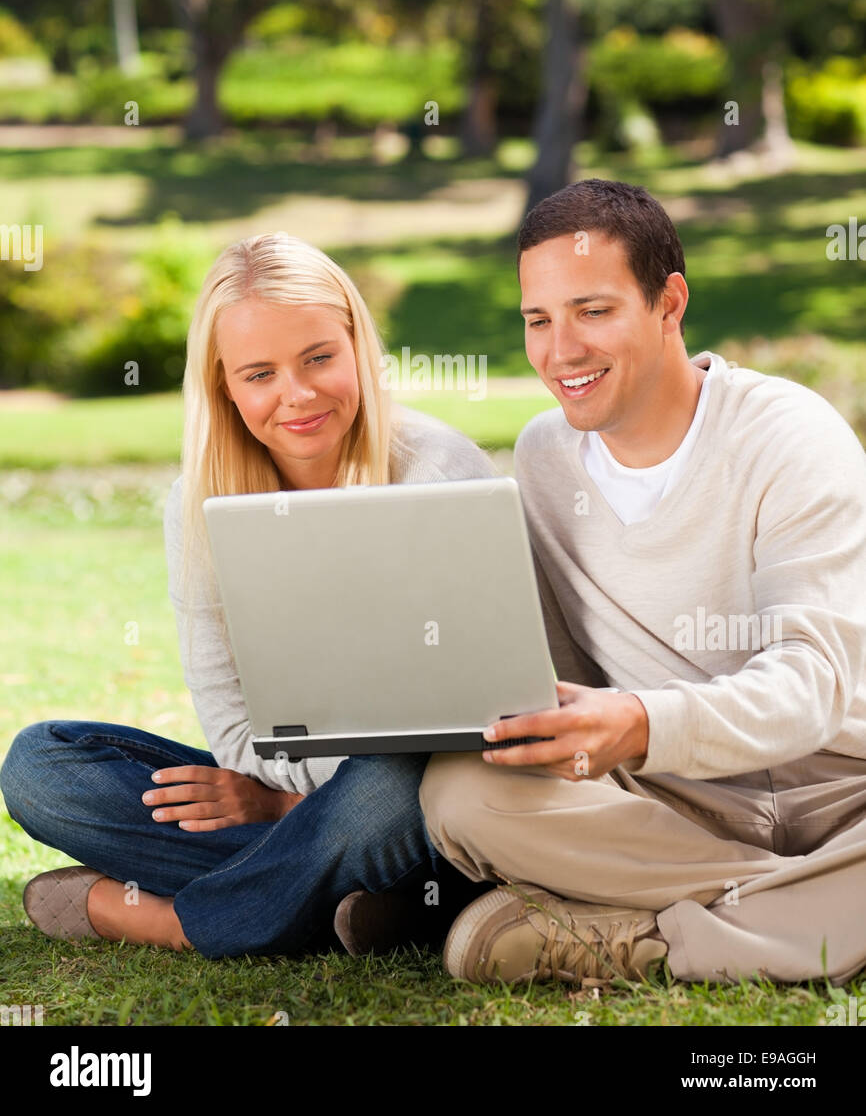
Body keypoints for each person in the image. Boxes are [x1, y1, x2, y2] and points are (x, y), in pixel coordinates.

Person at [420, 178, 866, 988]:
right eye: (538, 321)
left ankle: (652, 938)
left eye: (593, 311)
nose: (561, 352)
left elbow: (813, 688)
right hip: (672, 805)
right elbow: (560, 685)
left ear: (670, 303)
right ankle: (793, 911)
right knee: (461, 794)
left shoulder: (790, 439)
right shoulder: (544, 458)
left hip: (840, 788)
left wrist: (639, 722)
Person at [1, 232, 494, 958]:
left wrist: (287, 806)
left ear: (359, 348)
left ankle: (181, 919)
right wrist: (284, 802)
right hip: (281, 788)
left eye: (320, 358)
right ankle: (371, 904)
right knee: (41, 768)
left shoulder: (441, 473)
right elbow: (232, 730)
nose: (296, 394)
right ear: (224, 385)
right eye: (259, 373)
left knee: (395, 785)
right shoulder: (199, 503)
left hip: (419, 792)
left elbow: (478, 714)